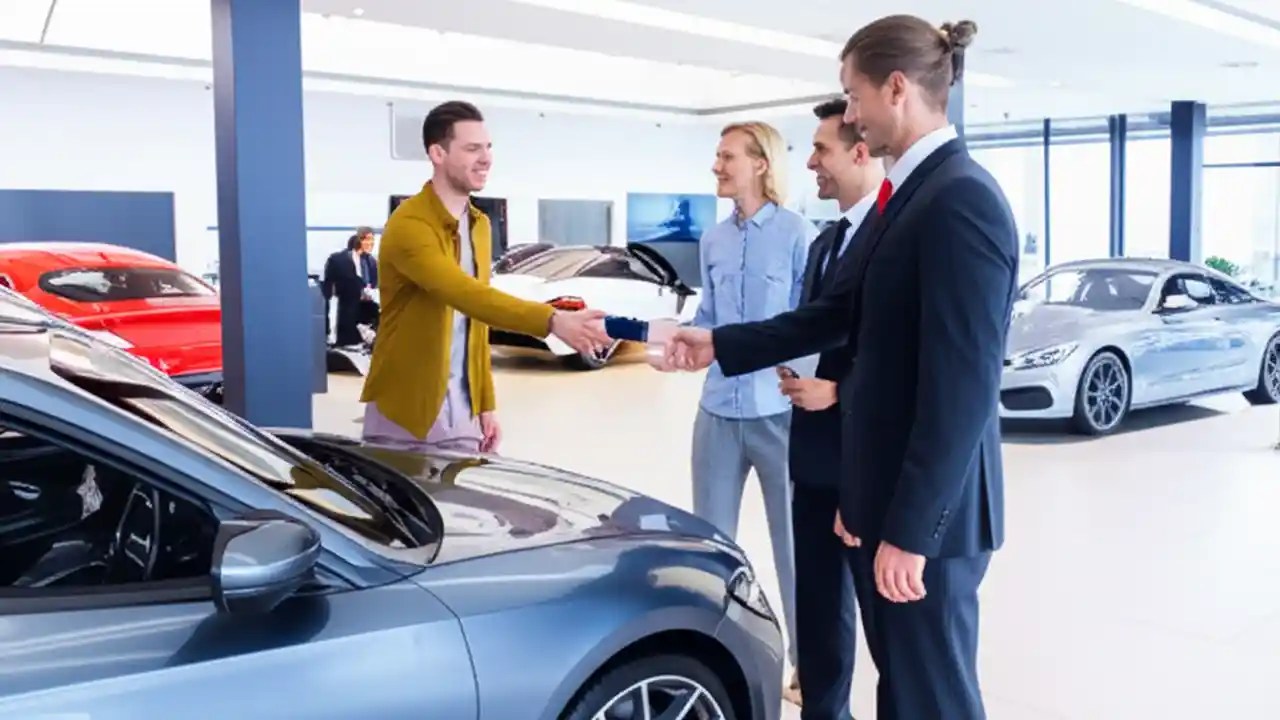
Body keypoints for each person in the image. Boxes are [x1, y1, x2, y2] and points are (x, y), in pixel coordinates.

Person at [661, 16, 1017, 720]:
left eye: (852, 97)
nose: (848, 116)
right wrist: (719, 343)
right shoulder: (903, 201)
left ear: (895, 89)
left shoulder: (960, 200)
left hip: (930, 523)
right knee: (904, 694)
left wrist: (911, 531)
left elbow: (963, 388)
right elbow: (834, 314)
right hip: (885, 501)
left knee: (932, 698)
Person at [361, 100, 608, 454]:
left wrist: (485, 404)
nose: (486, 158)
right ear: (437, 153)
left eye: (488, 147)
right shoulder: (409, 225)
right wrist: (552, 320)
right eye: (472, 148)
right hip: (407, 413)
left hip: (464, 411)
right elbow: (465, 294)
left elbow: (476, 323)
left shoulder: (479, 225)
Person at [688, 120, 816, 699]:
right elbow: (708, 321)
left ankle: (809, 665)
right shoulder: (712, 240)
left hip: (780, 413)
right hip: (717, 409)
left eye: (726, 156)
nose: (717, 165)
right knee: (712, 548)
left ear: (760, 163)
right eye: (716, 156)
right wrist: (678, 344)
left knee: (795, 545)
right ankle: (721, 659)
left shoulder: (798, 235)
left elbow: (810, 325)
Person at [781, 97, 885, 717]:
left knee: (887, 629)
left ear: (859, 151)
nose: (813, 163)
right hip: (813, 458)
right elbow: (815, 327)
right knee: (818, 614)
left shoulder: (894, 235)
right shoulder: (826, 242)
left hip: (867, 462)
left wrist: (839, 391)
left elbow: (908, 356)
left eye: (820, 150)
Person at [321, 227, 378, 346]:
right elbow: (327, 292)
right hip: (345, 316)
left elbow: (374, 285)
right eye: (367, 240)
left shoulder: (372, 262)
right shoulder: (338, 260)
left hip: (365, 319)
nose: (371, 244)